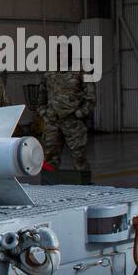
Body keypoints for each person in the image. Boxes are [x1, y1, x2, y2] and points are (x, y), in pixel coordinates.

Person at [41, 46, 96, 181]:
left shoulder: (82, 73)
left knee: (79, 156)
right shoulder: (49, 74)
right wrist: (44, 112)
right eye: (58, 53)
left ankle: (85, 185)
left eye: (65, 53)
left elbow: (91, 98)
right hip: (52, 122)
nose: (61, 56)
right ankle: (49, 184)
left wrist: (80, 114)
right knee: (49, 156)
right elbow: (42, 96)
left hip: (73, 122)